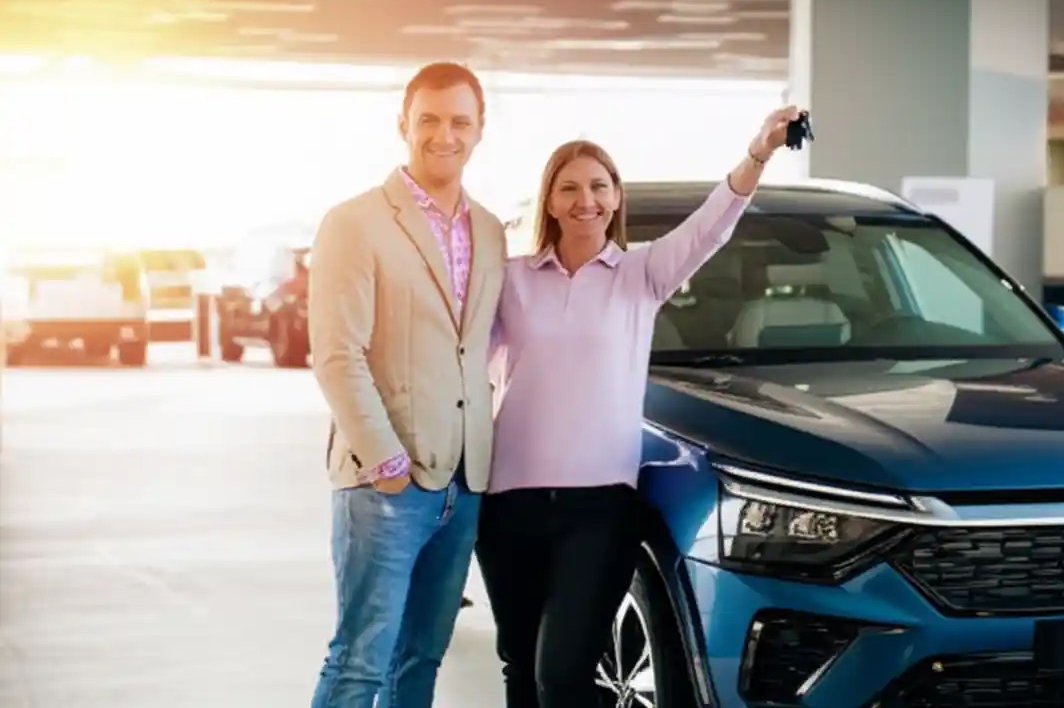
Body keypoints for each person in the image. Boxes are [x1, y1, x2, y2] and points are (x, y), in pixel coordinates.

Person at [477, 105, 802, 707]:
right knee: (519, 667)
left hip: (598, 508)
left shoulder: (641, 274)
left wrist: (758, 152)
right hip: (508, 506)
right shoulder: (509, 279)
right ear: (549, 202)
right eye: (569, 188)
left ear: (616, 197)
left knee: (563, 677)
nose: (585, 200)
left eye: (598, 186)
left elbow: (712, 225)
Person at [307, 61, 506, 708]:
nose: (443, 134)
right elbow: (337, 353)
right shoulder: (355, 222)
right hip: (384, 484)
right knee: (361, 660)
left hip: (464, 482)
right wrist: (385, 459)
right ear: (403, 124)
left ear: (480, 130)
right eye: (429, 120)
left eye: (459, 121)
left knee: (420, 659)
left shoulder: (490, 231)